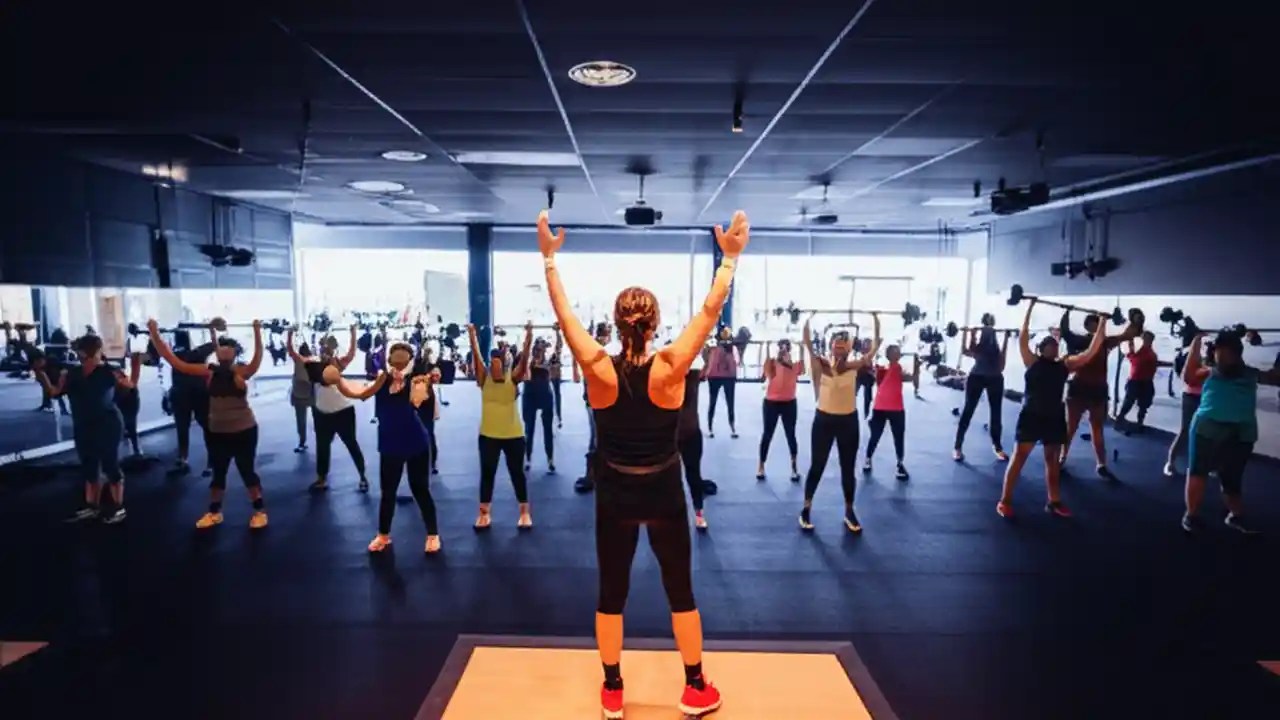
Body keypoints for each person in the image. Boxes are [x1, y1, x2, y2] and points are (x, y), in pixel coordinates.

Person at [540, 209, 742, 719]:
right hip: (663, 492)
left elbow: (564, 318)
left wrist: (549, 260)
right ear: (654, 324)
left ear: (615, 321)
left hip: (615, 492)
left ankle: (613, 690)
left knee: (612, 592)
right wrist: (729, 261)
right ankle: (695, 688)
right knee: (681, 590)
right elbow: (710, 312)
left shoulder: (597, 367)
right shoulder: (672, 366)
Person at [149, 319, 268, 530]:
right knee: (218, 473)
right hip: (218, 432)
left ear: (233, 353)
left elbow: (258, 358)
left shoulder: (241, 372)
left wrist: (257, 332)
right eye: (220, 347)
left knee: (247, 471)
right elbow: (175, 362)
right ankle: (214, 513)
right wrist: (154, 334)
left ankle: (259, 511)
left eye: (227, 348)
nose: (223, 350)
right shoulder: (209, 372)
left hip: (244, 430)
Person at [997, 301, 1106, 519]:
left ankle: (1054, 501)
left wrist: (1102, 322)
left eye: (1055, 345)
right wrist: (1030, 307)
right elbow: (1023, 336)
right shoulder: (1032, 361)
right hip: (1032, 416)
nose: (1053, 347)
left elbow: (1091, 352)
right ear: (1041, 349)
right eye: (1049, 344)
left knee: (1052, 460)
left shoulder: (1064, 365)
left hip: (1054, 417)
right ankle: (1005, 500)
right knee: (1019, 457)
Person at [330, 341, 441, 552]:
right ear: (390, 360)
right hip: (390, 443)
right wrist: (338, 381)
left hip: (415, 441)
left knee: (420, 489)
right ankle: (383, 535)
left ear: (409, 361)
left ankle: (433, 534)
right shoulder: (382, 379)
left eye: (403, 360)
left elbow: (421, 399)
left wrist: (428, 380)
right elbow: (360, 394)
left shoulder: (417, 380)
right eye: (396, 359)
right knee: (388, 491)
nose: (399, 364)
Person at [1180, 332, 1279, 534]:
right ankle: (1191, 515)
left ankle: (1235, 515)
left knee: (1231, 478)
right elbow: (1188, 376)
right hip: (1206, 431)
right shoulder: (1210, 372)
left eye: (1227, 354)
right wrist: (1195, 342)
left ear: (1238, 354)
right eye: (1218, 354)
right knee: (1198, 473)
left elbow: (1275, 378)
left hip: (1240, 434)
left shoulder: (1251, 374)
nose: (1221, 358)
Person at [37, 337, 141, 524]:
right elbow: (54, 393)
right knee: (89, 465)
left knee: (110, 464)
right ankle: (92, 506)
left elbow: (131, 385)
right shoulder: (70, 374)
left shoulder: (110, 371)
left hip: (108, 424)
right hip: (83, 424)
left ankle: (119, 507)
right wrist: (41, 374)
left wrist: (136, 363)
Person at [799, 314, 880, 534]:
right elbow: (806, 342)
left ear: (848, 349)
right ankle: (806, 509)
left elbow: (874, 348)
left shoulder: (854, 366)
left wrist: (875, 319)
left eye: (843, 346)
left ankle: (849, 511)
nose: (839, 349)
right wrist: (808, 318)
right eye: (836, 345)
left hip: (848, 422)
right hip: (823, 420)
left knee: (848, 469)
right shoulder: (821, 364)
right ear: (831, 346)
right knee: (817, 465)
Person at [1057, 309, 1141, 478]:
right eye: (1094, 324)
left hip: (1098, 391)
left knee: (1097, 429)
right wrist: (1066, 313)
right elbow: (1065, 332)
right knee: (1070, 428)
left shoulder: (1106, 342)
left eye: (1099, 323)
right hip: (1079, 390)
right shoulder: (1081, 341)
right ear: (1088, 327)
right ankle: (1061, 457)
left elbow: (1127, 334)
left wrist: (1135, 319)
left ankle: (1101, 464)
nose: (1098, 327)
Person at [467, 322, 533, 530]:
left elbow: (525, 356)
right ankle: (484, 514)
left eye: (498, 362)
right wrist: (472, 334)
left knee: (517, 473)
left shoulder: (512, 378)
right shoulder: (483, 378)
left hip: (513, 434)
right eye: (492, 362)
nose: (495, 365)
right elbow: (475, 353)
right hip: (488, 435)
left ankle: (524, 513)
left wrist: (529, 335)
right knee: (488, 473)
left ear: (504, 364)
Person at [289, 327, 370, 492]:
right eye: (323, 348)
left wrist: (353, 333)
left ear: (332, 350)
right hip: (322, 413)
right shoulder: (314, 366)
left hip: (343, 412)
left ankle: (362, 476)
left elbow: (352, 353)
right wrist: (290, 335)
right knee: (322, 446)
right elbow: (293, 355)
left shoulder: (338, 364)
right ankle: (321, 478)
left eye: (328, 348)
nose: (325, 351)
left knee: (351, 443)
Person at [953, 316, 1011, 462]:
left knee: (996, 414)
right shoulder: (981, 344)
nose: (989, 326)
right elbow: (966, 350)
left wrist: (1006, 340)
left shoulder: (994, 345)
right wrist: (969, 334)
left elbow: (1002, 365)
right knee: (968, 411)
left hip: (995, 379)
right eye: (987, 322)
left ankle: (997, 447)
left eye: (990, 322)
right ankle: (957, 447)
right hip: (976, 378)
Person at [863, 345, 919, 480]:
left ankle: (896, 463)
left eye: (899, 352)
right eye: (896, 352)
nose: (899, 354)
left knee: (891, 437)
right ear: (890, 355)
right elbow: (911, 379)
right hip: (886, 408)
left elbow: (912, 380)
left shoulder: (890, 369)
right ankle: (871, 459)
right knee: (883, 436)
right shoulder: (891, 369)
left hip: (892, 408)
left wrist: (917, 367)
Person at [168, 328, 216, 476]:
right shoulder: (196, 353)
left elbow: (215, 344)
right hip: (189, 395)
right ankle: (193, 459)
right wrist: (212, 330)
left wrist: (212, 330)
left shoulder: (174, 355)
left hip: (194, 395)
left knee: (198, 428)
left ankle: (191, 459)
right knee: (201, 428)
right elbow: (215, 344)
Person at [573, 322, 613, 493]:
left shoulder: (602, 351)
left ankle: (599, 474)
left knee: (599, 437)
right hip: (596, 401)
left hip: (602, 400)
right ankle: (593, 475)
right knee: (597, 437)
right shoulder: (597, 351)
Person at [756, 339, 804, 481]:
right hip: (771, 403)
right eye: (781, 349)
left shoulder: (794, 366)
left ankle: (794, 468)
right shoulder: (772, 364)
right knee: (767, 435)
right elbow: (765, 369)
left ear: (789, 351)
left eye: (785, 349)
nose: (783, 351)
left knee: (791, 435)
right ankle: (761, 466)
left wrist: (801, 348)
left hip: (789, 403)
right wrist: (768, 349)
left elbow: (803, 365)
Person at [679, 366, 709, 530]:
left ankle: (699, 513)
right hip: (669, 435)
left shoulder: (693, 376)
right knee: (666, 479)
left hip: (691, 434)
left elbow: (705, 362)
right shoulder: (665, 378)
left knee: (694, 476)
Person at [522, 335, 557, 473]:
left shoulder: (548, 361)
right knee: (529, 429)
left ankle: (550, 460)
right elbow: (526, 372)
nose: (538, 351)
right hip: (530, 396)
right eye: (536, 349)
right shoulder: (528, 362)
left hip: (544, 396)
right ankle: (528, 458)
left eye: (540, 349)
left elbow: (553, 369)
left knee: (547, 429)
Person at [1116, 331, 1163, 431]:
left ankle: (1139, 423)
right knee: (1128, 402)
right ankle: (1119, 420)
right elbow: (1124, 346)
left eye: (1148, 339)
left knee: (1144, 404)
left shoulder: (1151, 353)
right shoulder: (1135, 350)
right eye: (1144, 338)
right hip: (1135, 381)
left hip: (1147, 382)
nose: (1145, 341)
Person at [703, 326, 738, 438]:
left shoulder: (732, 344)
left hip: (726, 376)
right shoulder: (713, 343)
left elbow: (736, 359)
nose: (726, 333)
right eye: (724, 331)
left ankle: (732, 426)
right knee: (714, 401)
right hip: (717, 375)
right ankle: (710, 427)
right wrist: (709, 363)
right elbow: (705, 353)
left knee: (729, 402)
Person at [289, 342, 313, 454]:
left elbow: (290, 349)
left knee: (301, 420)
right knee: (319, 418)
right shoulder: (313, 361)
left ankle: (302, 442)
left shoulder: (298, 360)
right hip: (312, 393)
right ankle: (323, 440)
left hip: (299, 394)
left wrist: (289, 334)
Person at [549, 329, 565, 429]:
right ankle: (555, 417)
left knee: (556, 396)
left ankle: (558, 417)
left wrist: (557, 332)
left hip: (554, 377)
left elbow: (560, 344)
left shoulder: (555, 352)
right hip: (549, 377)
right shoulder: (547, 354)